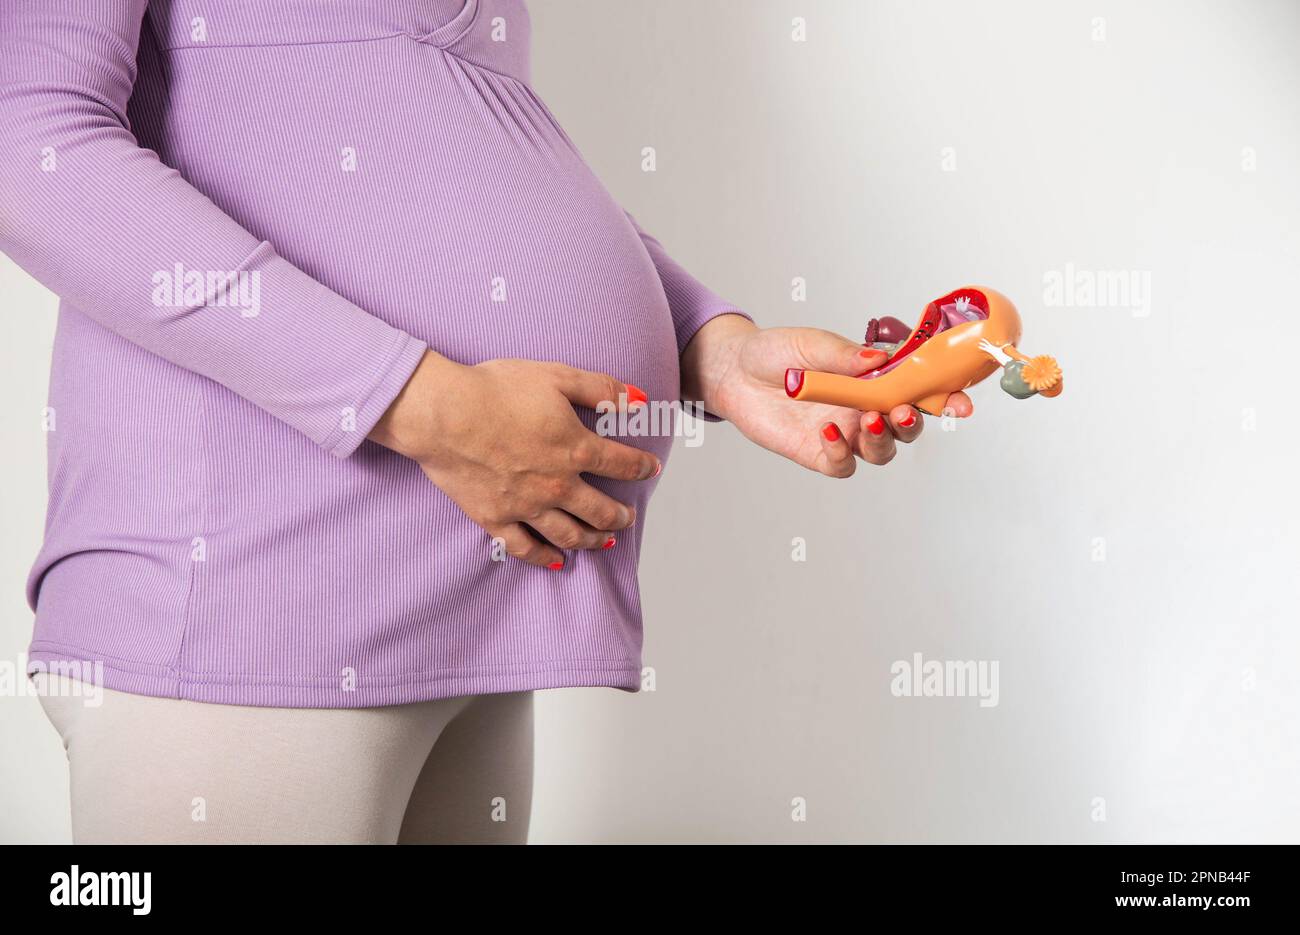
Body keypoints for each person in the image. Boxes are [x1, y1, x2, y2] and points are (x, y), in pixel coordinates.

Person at [0, 0, 972, 843]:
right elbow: (28, 144)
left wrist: (703, 339)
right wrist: (428, 406)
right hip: (254, 603)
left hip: (487, 579)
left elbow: (426, 153)